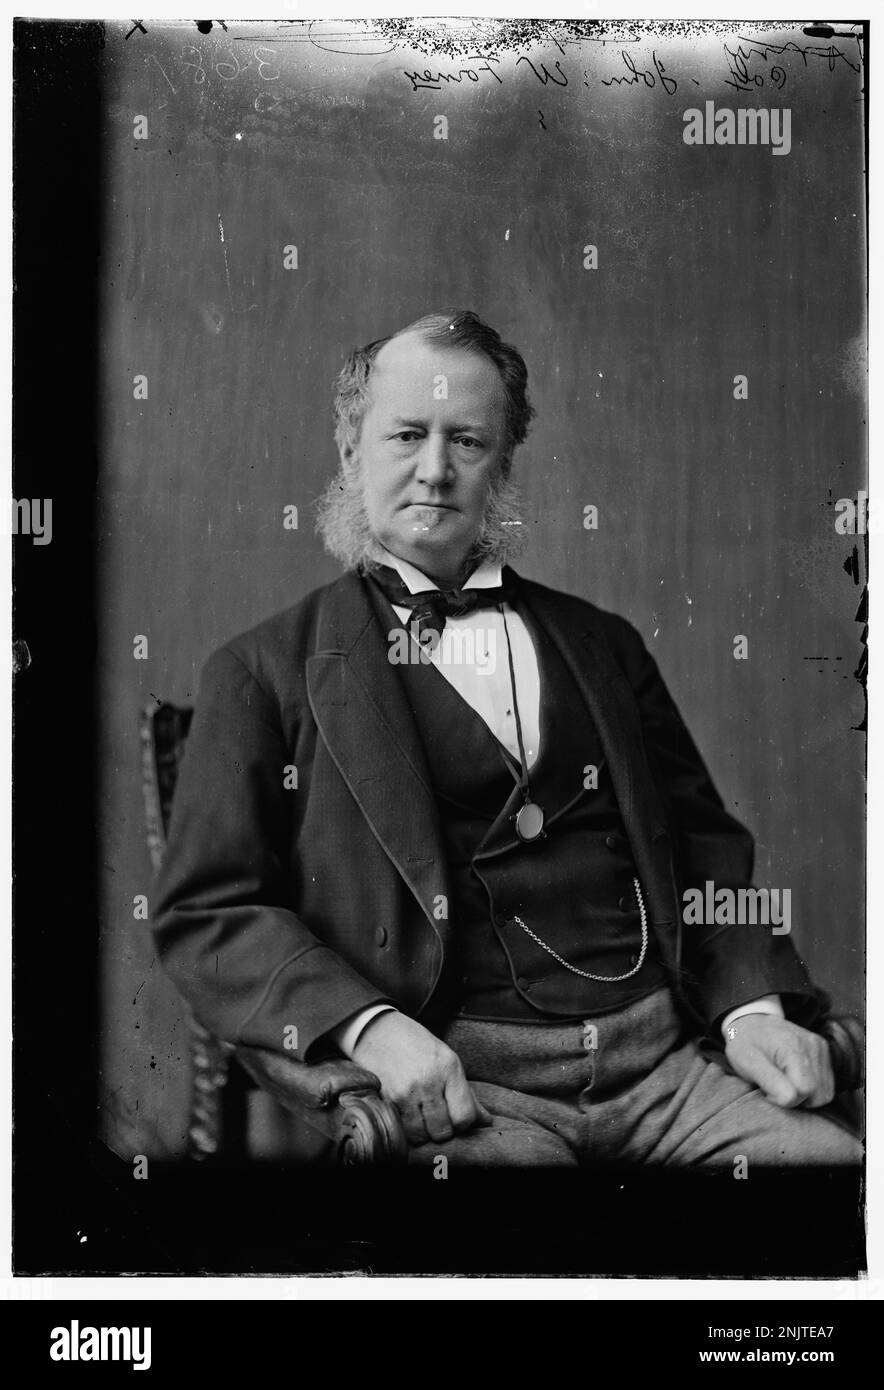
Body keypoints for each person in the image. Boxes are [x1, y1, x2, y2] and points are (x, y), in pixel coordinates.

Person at [152, 309, 861, 1167]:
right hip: (468, 1098)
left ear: (505, 463)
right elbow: (208, 914)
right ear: (350, 450)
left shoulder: (604, 644)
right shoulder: (261, 671)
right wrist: (373, 1032)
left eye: (469, 442)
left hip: (668, 1071)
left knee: (832, 1185)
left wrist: (754, 1011)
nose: (435, 471)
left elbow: (706, 850)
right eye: (406, 435)